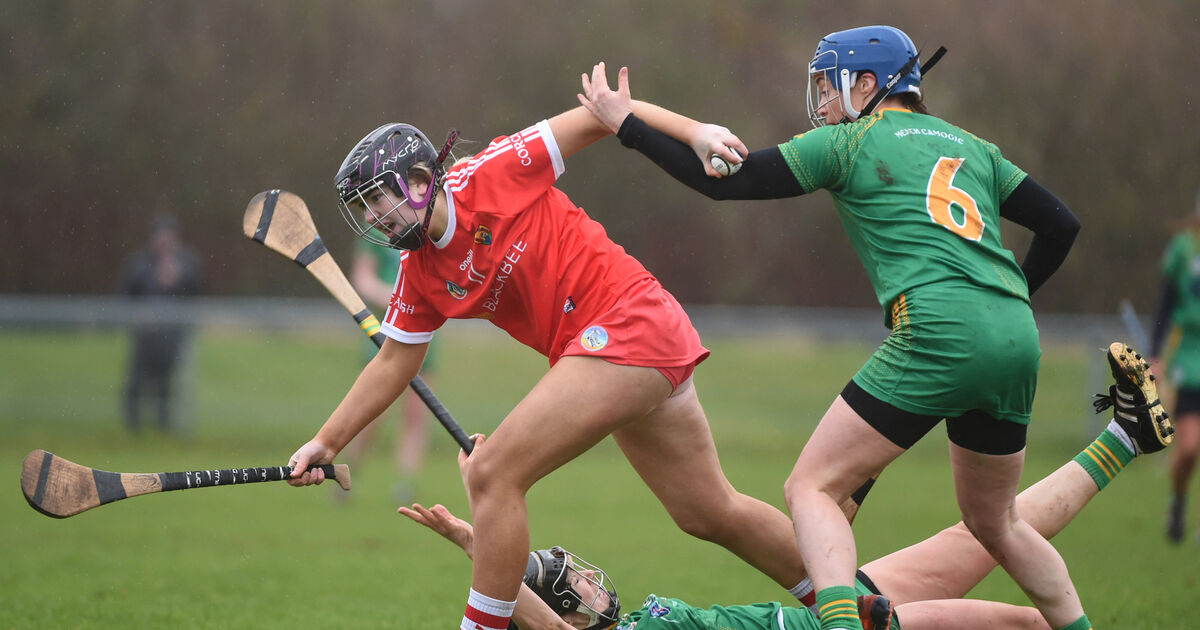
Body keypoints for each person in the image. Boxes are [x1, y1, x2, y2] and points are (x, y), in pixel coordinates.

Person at [574, 26, 1175, 630]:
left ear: (868, 83)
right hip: (1016, 336)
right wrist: (1002, 305)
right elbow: (1062, 225)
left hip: (936, 329)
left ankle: (841, 626)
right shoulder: (974, 146)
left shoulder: (848, 143)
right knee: (997, 524)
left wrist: (628, 127)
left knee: (810, 488)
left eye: (829, 85)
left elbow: (728, 183)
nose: (823, 102)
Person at [284, 114, 823, 630]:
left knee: (492, 473)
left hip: (628, 319)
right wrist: (327, 442)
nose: (373, 218)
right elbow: (394, 361)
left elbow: (600, 117)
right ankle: (848, 602)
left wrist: (696, 133)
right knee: (706, 511)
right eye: (364, 208)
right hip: (617, 350)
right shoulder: (419, 271)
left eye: (377, 199)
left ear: (422, 182)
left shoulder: (491, 173)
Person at [401, 350, 1172, 630]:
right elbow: (533, 622)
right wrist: (478, 536)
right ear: (567, 614)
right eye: (571, 581)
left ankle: (1127, 439)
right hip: (844, 626)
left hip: (824, 606)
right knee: (1029, 622)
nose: (589, 577)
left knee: (984, 532)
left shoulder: (634, 621)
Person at [341, 229, 438, 502]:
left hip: (423, 330)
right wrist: (398, 297)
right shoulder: (373, 228)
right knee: (370, 411)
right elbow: (363, 278)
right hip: (385, 332)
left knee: (416, 413)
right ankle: (348, 474)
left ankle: (406, 482)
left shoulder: (425, 224)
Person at [117, 213, 203, 433]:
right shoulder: (140, 263)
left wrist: (178, 276)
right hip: (145, 336)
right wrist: (137, 315)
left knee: (166, 384)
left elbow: (196, 291)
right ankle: (132, 427)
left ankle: (163, 426)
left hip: (171, 337)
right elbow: (127, 294)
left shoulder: (185, 263)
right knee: (136, 381)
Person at [1148, 185, 1200, 543]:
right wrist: (1155, 354)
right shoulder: (1183, 248)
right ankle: (1178, 502)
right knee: (1189, 449)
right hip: (1190, 356)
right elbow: (1165, 304)